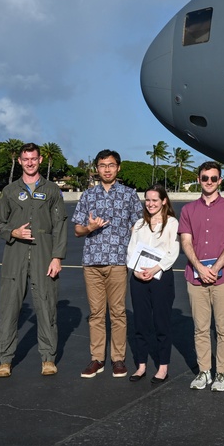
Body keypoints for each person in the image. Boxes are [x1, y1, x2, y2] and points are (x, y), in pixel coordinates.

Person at [0, 143, 68, 377]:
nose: (30, 163)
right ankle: (4, 360)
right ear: (21, 161)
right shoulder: (9, 191)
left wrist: (57, 257)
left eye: (33, 159)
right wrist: (13, 233)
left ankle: (48, 358)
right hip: (15, 255)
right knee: (9, 308)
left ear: (40, 160)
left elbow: (60, 226)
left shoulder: (53, 190)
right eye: (26, 159)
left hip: (44, 254)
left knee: (46, 306)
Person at [72, 150, 143, 379]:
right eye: (102, 165)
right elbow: (77, 230)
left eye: (111, 165)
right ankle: (97, 359)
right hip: (92, 262)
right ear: (97, 168)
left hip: (118, 262)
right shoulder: (88, 195)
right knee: (96, 313)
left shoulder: (129, 195)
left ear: (118, 168)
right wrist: (90, 228)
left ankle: (118, 358)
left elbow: (138, 226)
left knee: (118, 312)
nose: (107, 169)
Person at [178, 161, 224, 392]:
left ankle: (222, 373)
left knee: (223, 328)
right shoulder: (187, 210)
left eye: (214, 178)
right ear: (198, 179)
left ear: (220, 181)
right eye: (205, 178)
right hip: (195, 278)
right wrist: (199, 267)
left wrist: (214, 268)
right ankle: (204, 370)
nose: (209, 182)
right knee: (200, 328)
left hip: (223, 277)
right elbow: (185, 241)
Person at [127, 185, 180, 384]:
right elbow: (131, 250)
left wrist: (155, 269)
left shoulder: (172, 223)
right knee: (140, 323)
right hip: (138, 278)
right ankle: (141, 365)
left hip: (161, 278)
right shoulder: (140, 224)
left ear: (164, 201)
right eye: (147, 200)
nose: (150, 204)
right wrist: (137, 271)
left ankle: (163, 367)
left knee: (161, 323)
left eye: (155, 200)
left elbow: (172, 252)